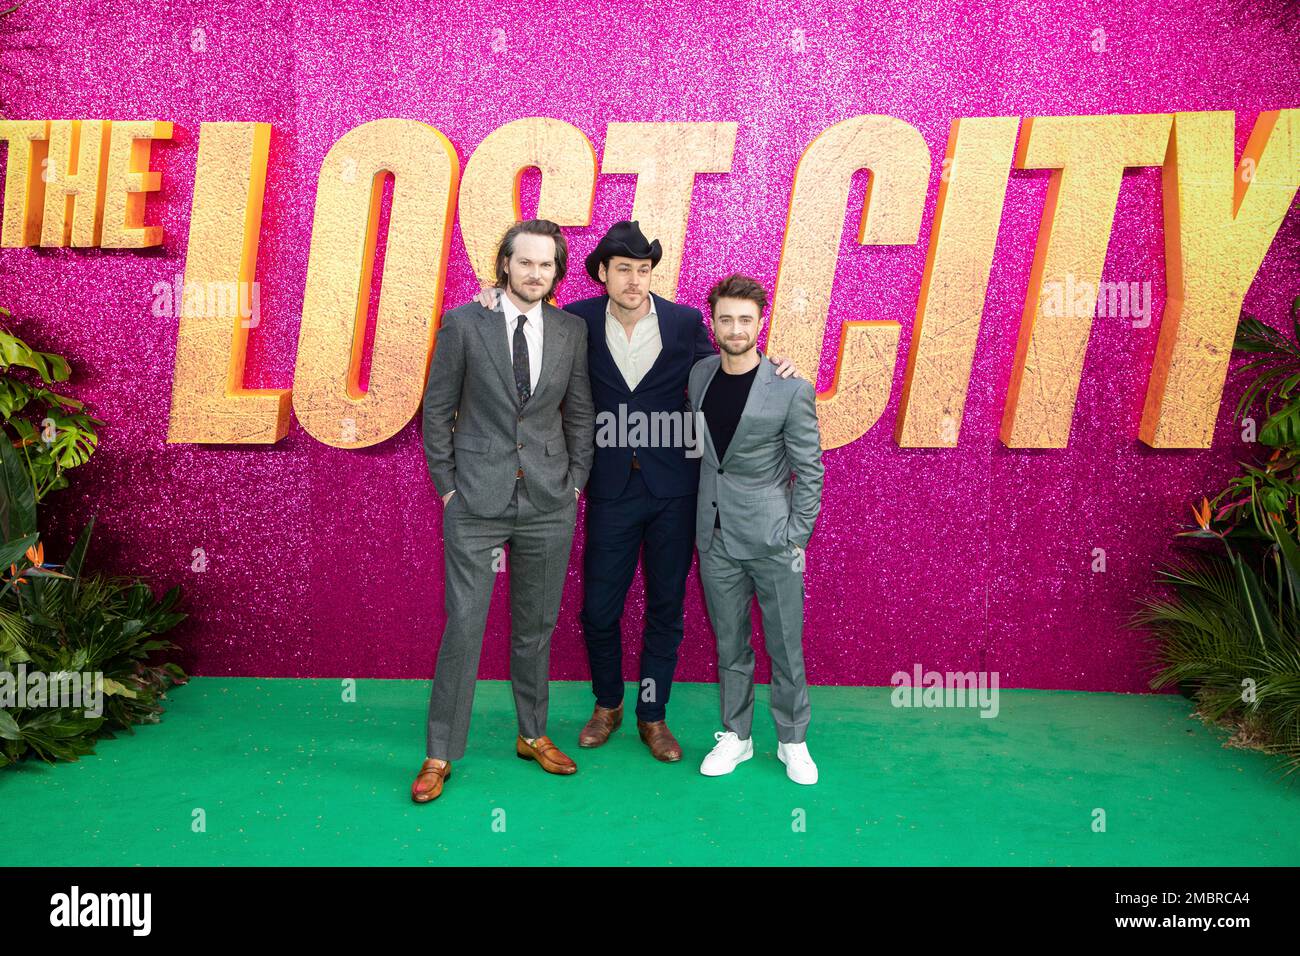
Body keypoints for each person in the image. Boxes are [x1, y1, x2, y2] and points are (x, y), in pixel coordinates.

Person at [473, 220, 798, 762]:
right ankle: (608, 704)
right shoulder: (572, 320)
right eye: (623, 269)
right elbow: (519, 318)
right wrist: (491, 299)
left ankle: (651, 713)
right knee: (599, 609)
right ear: (602, 273)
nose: (634, 280)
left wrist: (778, 366)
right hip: (608, 487)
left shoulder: (685, 321)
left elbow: (732, 367)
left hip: (675, 490)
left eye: (643, 270)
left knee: (666, 608)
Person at [412, 218, 595, 803]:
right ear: (505, 265)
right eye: (525, 263)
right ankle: (440, 752)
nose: (536, 273)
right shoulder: (465, 323)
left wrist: (574, 485)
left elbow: (581, 415)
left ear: (556, 271)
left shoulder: (570, 331)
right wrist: (447, 488)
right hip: (475, 502)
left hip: (548, 501)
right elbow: (436, 412)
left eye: (546, 265)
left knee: (535, 628)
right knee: (464, 627)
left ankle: (533, 733)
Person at [688, 273, 825, 785]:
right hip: (716, 536)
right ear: (714, 323)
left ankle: (793, 740)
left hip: (774, 540)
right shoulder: (700, 375)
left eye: (746, 319)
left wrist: (795, 537)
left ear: (760, 323)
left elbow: (809, 469)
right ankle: (738, 736)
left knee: (786, 645)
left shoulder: (790, 388)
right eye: (726, 318)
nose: (736, 328)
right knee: (730, 643)